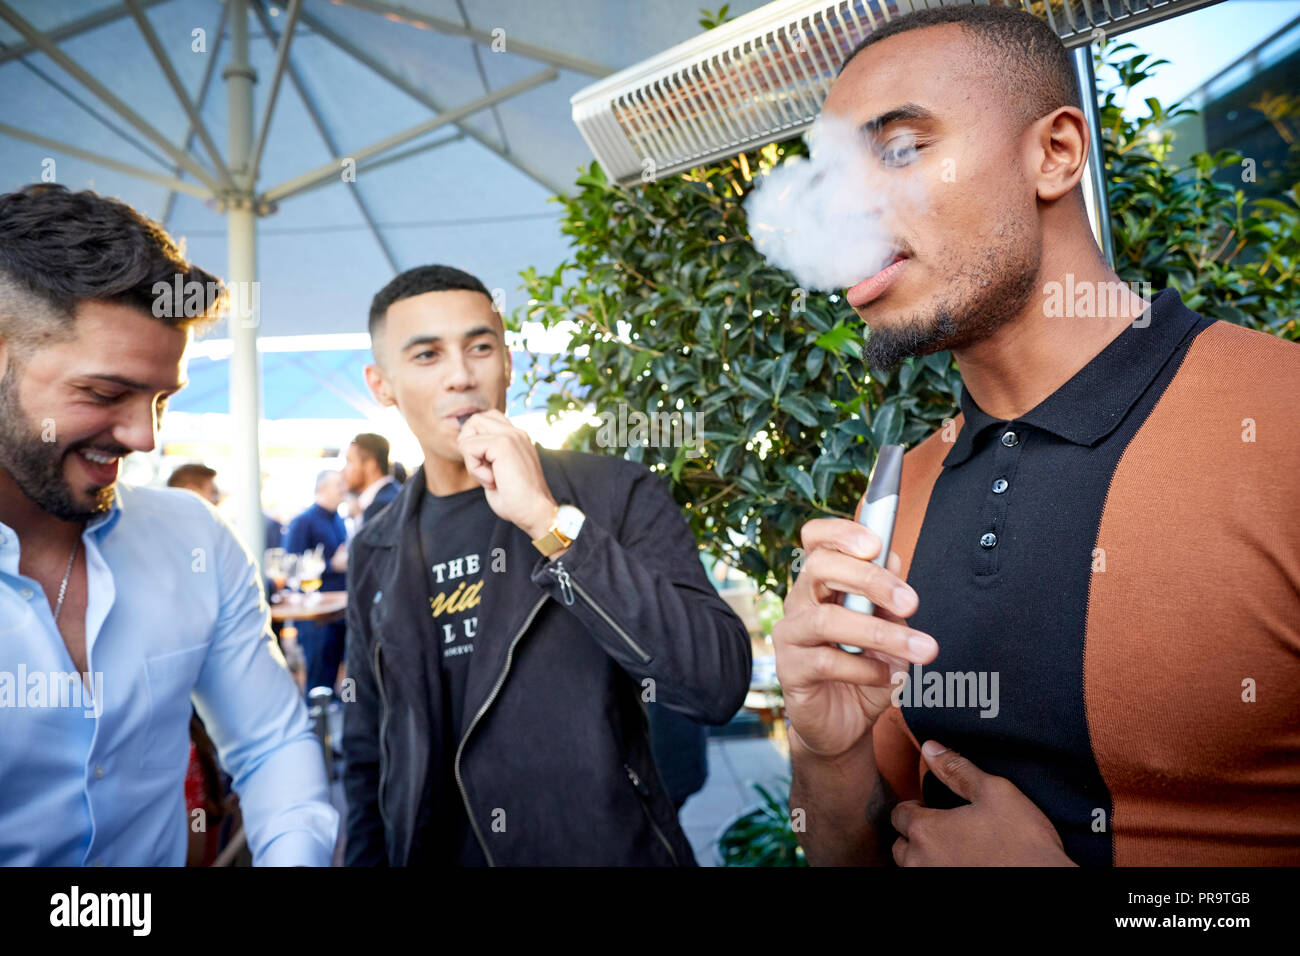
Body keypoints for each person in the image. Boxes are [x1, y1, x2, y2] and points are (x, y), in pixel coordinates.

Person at [773, 5, 1300, 867]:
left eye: (901, 150)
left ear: (1054, 153)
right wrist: (826, 754)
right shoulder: (900, 490)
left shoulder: (1283, 422)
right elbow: (851, 855)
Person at [342, 264, 752, 866]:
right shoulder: (376, 547)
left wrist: (549, 523)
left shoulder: (612, 493)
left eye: (479, 347)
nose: (462, 376)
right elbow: (366, 751)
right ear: (382, 384)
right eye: (427, 356)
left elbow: (714, 683)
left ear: (507, 362)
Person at [0, 183, 337, 865]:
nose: (145, 438)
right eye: (105, 393)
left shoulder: (193, 536)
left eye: (162, 400)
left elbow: (272, 743)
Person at [284, 470, 348, 693]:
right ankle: (315, 723)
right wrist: (332, 565)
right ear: (322, 488)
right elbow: (291, 566)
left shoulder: (339, 520)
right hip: (314, 616)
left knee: (336, 672)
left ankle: (333, 718)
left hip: (339, 610)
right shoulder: (303, 521)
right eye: (337, 484)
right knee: (317, 676)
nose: (344, 488)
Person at [341, 432, 399, 530]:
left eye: (349, 461)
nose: (343, 471)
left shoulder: (382, 507)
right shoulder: (392, 494)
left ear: (370, 465)